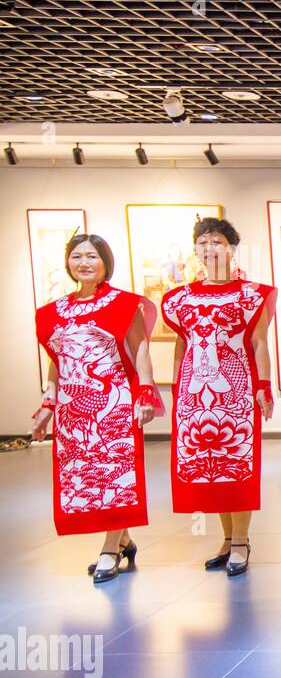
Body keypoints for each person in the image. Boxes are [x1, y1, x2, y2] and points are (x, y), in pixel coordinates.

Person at [32, 234, 163, 582]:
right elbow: (57, 361)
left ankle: (109, 548)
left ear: (106, 261)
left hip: (112, 404)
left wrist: (146, 392)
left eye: (92, 256)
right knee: (85, 477)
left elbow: (140, 350)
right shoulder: (54, 312)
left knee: (115, 476)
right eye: (77, 256)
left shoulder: (123, 304)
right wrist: (48, 402)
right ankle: (124, 538)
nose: (84, 263)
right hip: (72, 409)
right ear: (68, 262)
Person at [161, 217, 276, 576]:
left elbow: (258, 342)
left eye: (217, 242)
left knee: (237, 462)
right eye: (203, 243)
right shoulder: (179, 299)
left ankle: (241, 539)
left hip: (236, 391)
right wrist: (178, 388)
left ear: (231, 248)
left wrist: (263, 385)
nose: (209, 249)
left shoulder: (252, 294)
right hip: (196, 394)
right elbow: (183, 344)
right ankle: (227, 540)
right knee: (211, 469)